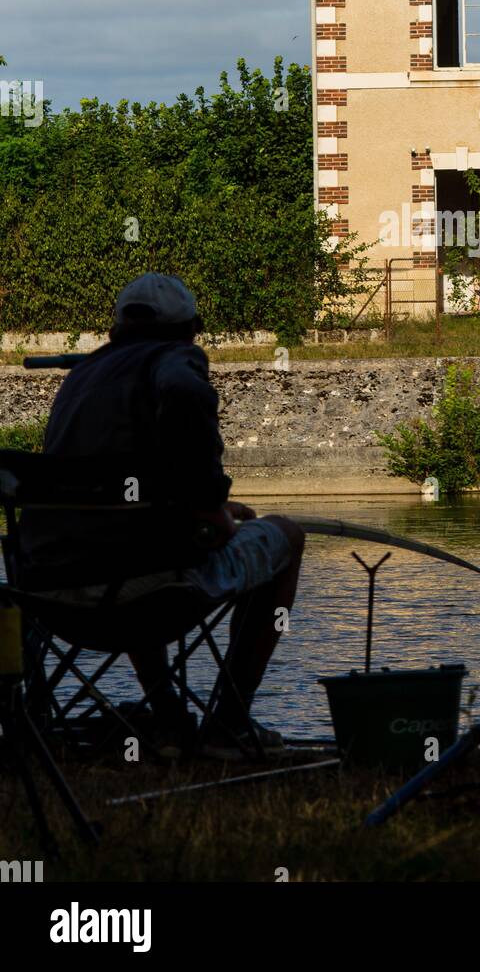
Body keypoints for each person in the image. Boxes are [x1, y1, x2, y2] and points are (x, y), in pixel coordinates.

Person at [18, 273, 304, 759]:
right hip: (145, 595)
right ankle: (228, 727)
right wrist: (211, 506)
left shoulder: (79, 377)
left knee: (129, 547)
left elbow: (111, 498)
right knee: (288, 537)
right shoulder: (175, 359)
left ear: (114, 330)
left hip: (50, 593)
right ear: (191, 329)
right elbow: (183, 392)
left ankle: (169, 718)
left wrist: (195, 507)